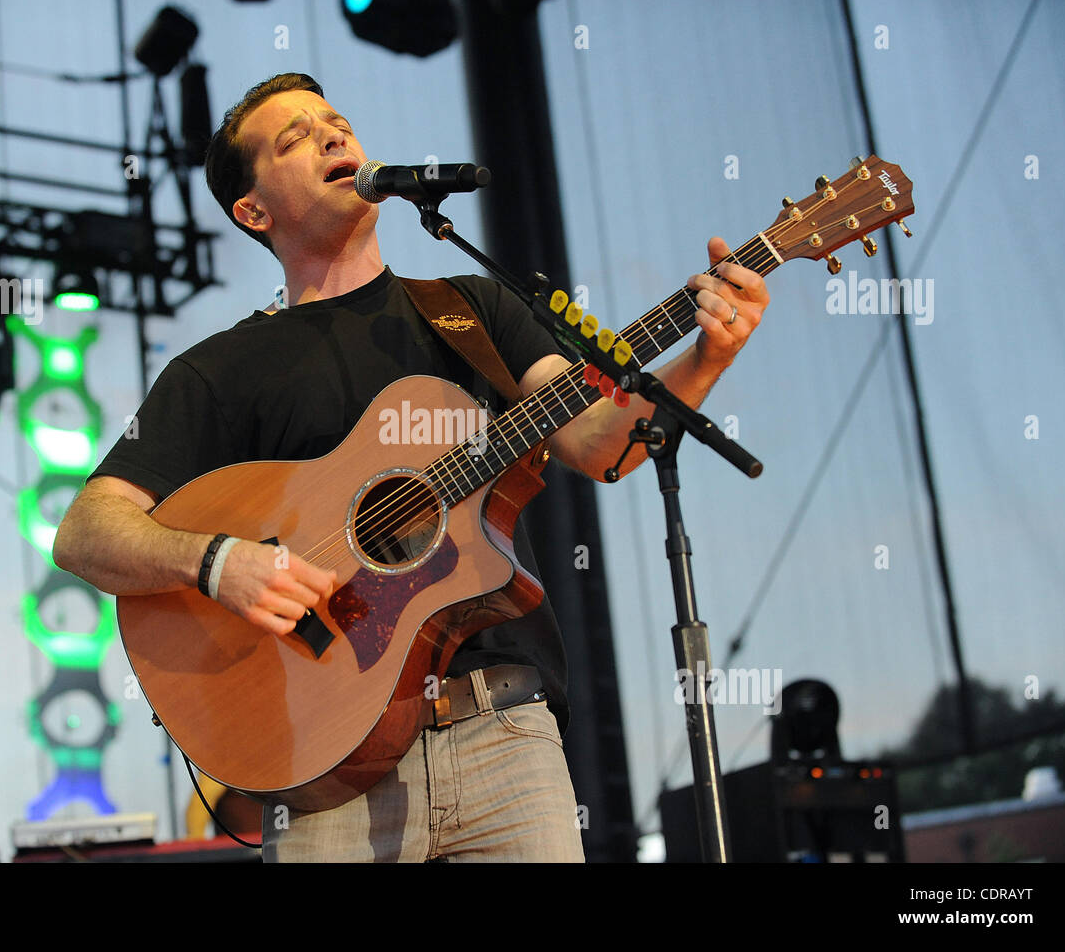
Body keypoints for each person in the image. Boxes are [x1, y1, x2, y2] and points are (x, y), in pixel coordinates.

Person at [52, 72, 769, 862]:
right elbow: (86, 533)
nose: (332, 136)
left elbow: (597, 443)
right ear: (252, 212)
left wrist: (704, 359)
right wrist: (217, 561)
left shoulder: (472, 309)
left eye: (337, 123)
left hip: (504, 734)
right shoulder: (216, 371)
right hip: (321, 765)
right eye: (296, 137)